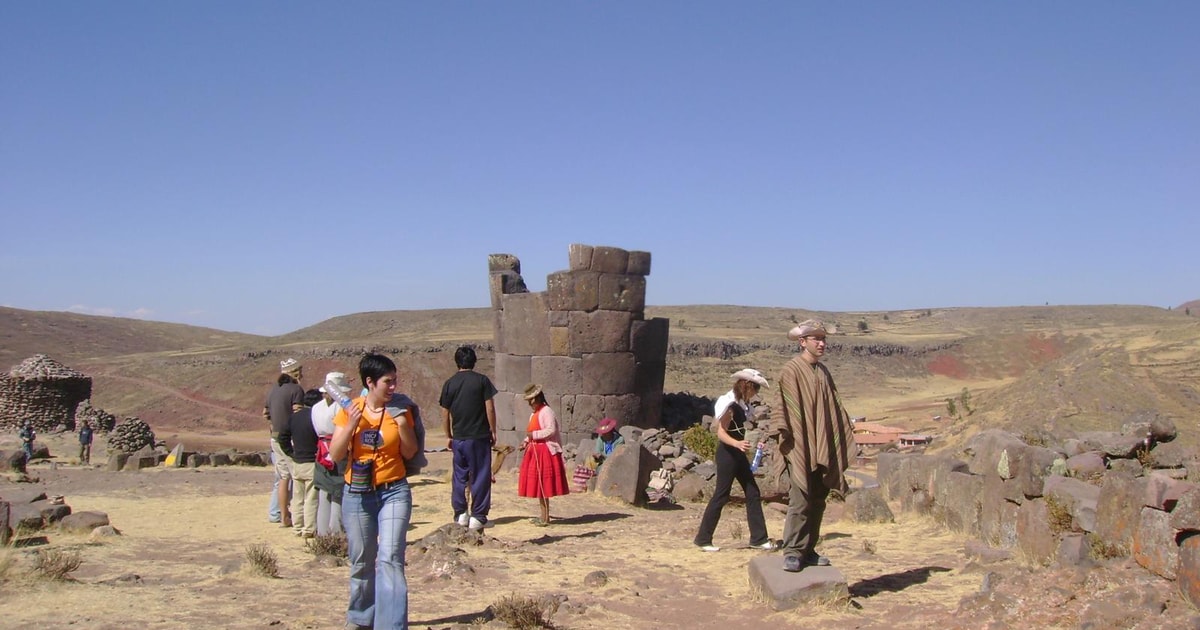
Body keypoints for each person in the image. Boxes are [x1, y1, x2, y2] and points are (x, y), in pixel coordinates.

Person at [331, 353, 418, 630]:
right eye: (387, 382)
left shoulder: (400, 409)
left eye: (394, 381)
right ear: (370, 382)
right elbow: (335, 454)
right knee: (361, 560)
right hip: (357, 494)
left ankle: (391, 625)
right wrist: (351, 424)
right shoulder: (350, 409)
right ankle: (360, 618)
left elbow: (410, 452)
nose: (393, 387)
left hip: (394, 491)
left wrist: (402, 424)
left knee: (391, 558)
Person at [775, 320, 855, 572]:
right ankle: (792, 551)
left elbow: (832, 409)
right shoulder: (791, 370)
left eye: (823, 339)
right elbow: (788, 410)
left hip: (820, 445)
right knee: (800, 500)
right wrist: (798, 440)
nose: (821, 344)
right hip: (800, 445)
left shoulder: (823, 372)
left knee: (819, 500)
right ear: (802, 342)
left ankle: (809, 550)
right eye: (816, 339)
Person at [694, 368, 775, 552]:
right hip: (728, 454)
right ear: (747, 386)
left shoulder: (741, 405)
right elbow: (721, 432)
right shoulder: (730, 406)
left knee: (752, 492)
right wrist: (737, 444)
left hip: (737, 454)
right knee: (721, 495)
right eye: (755, 388)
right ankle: (703, 538)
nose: (756, 392)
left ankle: (759, 538)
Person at [438, 346, 498, 531]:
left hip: (459, 437)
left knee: (459, 476)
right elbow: (489, 408)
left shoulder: (449, 383)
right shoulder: (482, 381)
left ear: (457, 362)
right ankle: (478, 516)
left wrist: (448, 435)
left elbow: (445, 413)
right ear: (474, 361)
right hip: (479, 436)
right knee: (480, 476)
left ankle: (461, 514)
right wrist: (493, 430)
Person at [517, 384, 569, 526]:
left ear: (536, 398)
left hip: (545, 452)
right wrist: (526, 442)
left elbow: (551, 430)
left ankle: (545, 518)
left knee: (544, 485)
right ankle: (543, 516)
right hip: (534, 452)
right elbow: (531, 433)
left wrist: (534, 435)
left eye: (531, 401)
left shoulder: (547, 411)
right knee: (539, 485)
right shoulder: (534, 414)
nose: (529, 404)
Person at [264, 358, 304, 526]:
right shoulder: (296, 389)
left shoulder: (273, 390)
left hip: (275, 438)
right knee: (297, 476)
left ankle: (282, 516)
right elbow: (298, 414)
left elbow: (266, 414)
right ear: (295, 372)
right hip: (290, 439)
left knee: (283, 477)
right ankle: (300, 518)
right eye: (299, 370)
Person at [280, 388, 323, 539]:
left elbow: (282, 437)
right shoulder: (316, 417)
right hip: (312, 461)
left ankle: (297, 527)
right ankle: (309, 529)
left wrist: (291, 452)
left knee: (297, 497)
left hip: (297, 462)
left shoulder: (294, 417)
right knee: (311, 498)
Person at [313, 371, 351, 536]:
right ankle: (336, 533)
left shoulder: (316, 408)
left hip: (321, 451)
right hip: (338, 449)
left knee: (324, 492)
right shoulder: (342, 408)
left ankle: (322, 534)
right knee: (338, 493)